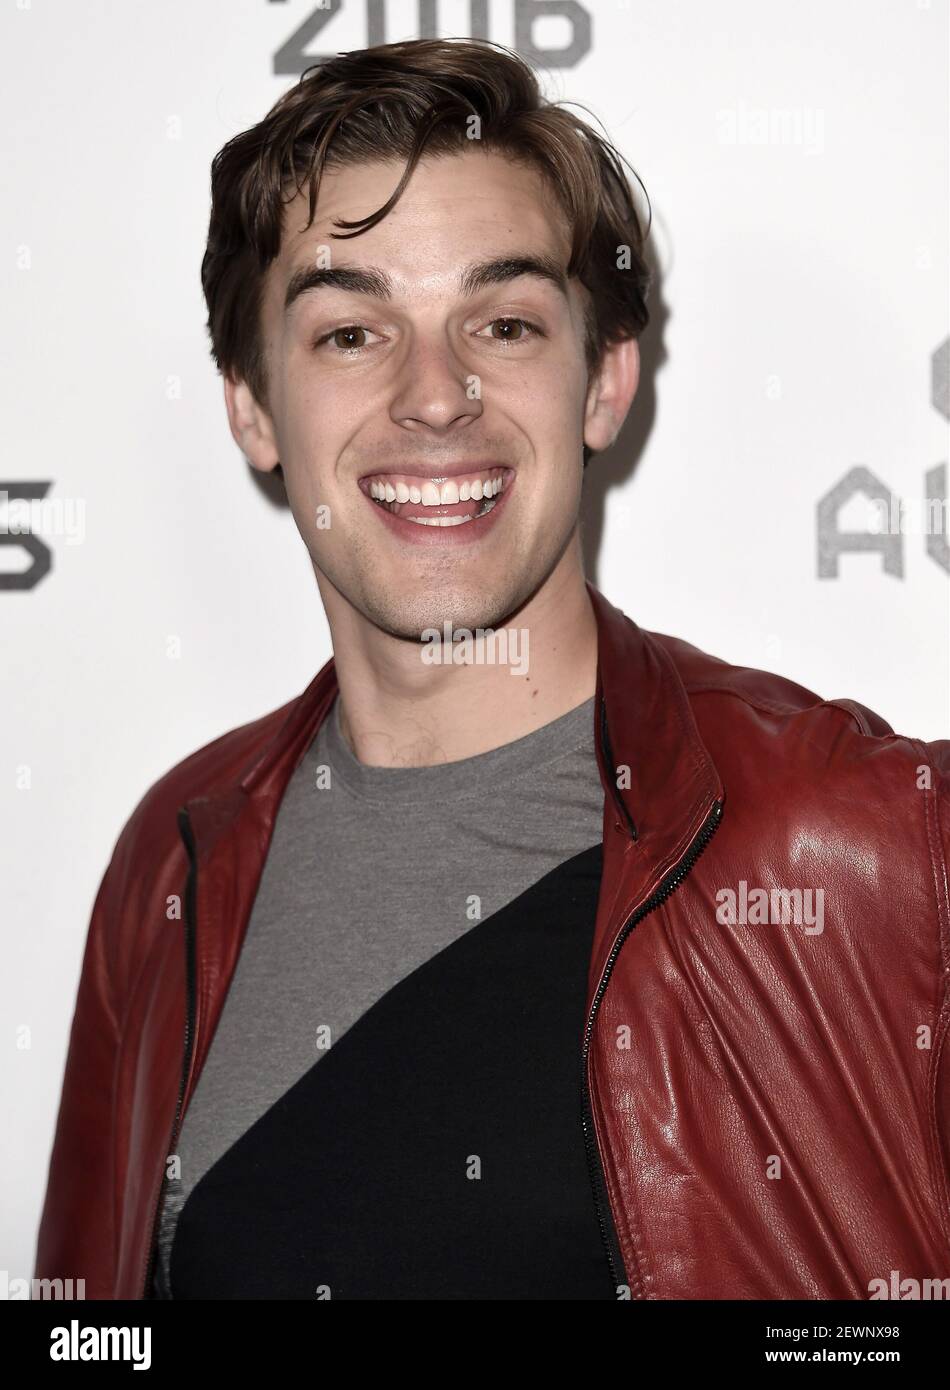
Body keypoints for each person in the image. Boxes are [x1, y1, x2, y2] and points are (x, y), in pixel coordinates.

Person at [34, 36, 950, 1301]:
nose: (436, 394)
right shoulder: (171, 863)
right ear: (251, 405)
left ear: (603, 381)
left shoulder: (872, 845)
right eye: (352, 333)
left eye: (503, 321)